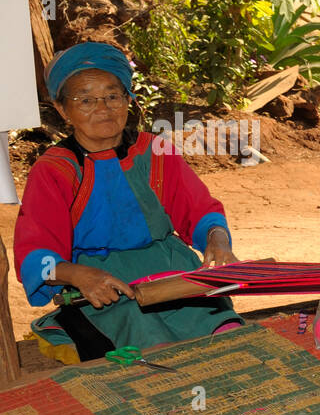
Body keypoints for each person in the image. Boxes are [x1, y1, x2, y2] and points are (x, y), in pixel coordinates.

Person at [12, 41, 244, 364]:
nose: (103, 108)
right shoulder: (54, 171)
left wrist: (217, 239)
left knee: (230, 340)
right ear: (63, 110)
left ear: (128, 100)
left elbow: (200, 210)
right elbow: (37, 259)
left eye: (112, 95)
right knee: (155, 354)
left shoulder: (155, 151)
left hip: (174, 278)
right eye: (85, 99)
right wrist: (80, 276)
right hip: (104, 293)